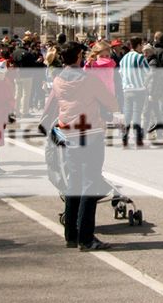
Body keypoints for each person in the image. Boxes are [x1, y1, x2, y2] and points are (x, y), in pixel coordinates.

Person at [46, 41, 119, 251]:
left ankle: (71, 234)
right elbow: (110, 102)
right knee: (90, 183)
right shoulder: (89, 80)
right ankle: (86, 238)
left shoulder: (58, 80)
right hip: (91, 133)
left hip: (69, 132)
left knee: (74, 182)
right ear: (79, 56)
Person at [119, 37, 150, 147]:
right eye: (141, 45)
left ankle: (124, 138)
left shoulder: (124, 58)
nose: (142, 47)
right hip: (138, 89)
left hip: (127, 89)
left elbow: (121, 73)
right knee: (137, 114)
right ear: (138, 45)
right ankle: (138, 140)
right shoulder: (140, 57)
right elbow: (148, 72)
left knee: (127, 114)